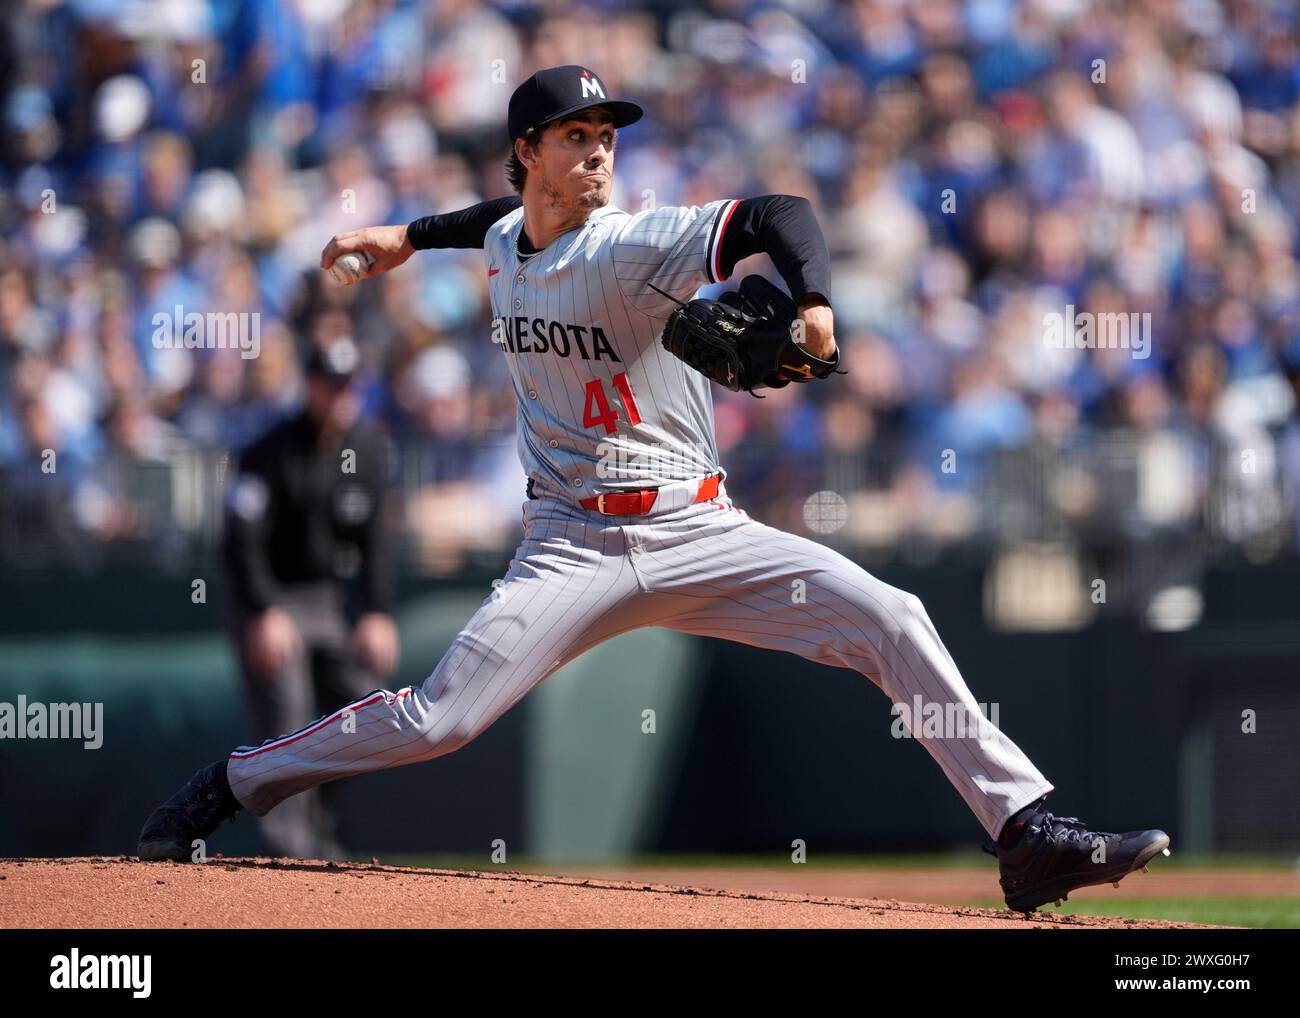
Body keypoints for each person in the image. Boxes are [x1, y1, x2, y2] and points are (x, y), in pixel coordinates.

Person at [139, 66, 1167, 912]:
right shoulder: (510, 243)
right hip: (568, 547)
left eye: (605, 136)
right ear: (527, 155)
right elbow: (496, 225)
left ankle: (1024, 833)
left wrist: (809, 295)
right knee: (437, 721)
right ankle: (234, 780)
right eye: (571, 135)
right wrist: (404, 237)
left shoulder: (635, 243)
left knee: (891, 616)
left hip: (698, 528)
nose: (595, 152)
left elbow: (778, 209)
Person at [219, 336, 398, 858]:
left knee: (365, 707)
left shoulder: (365, 451)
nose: (340, 396)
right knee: (288, 714)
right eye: (330, 385)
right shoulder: (265, 452)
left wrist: (379, 613)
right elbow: (238, 543)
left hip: (325, 602)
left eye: (349, 387)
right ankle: (287, 849)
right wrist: (261, 611)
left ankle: (314, 825)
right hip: (271, 602)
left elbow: (375, 544)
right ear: (310, 386)